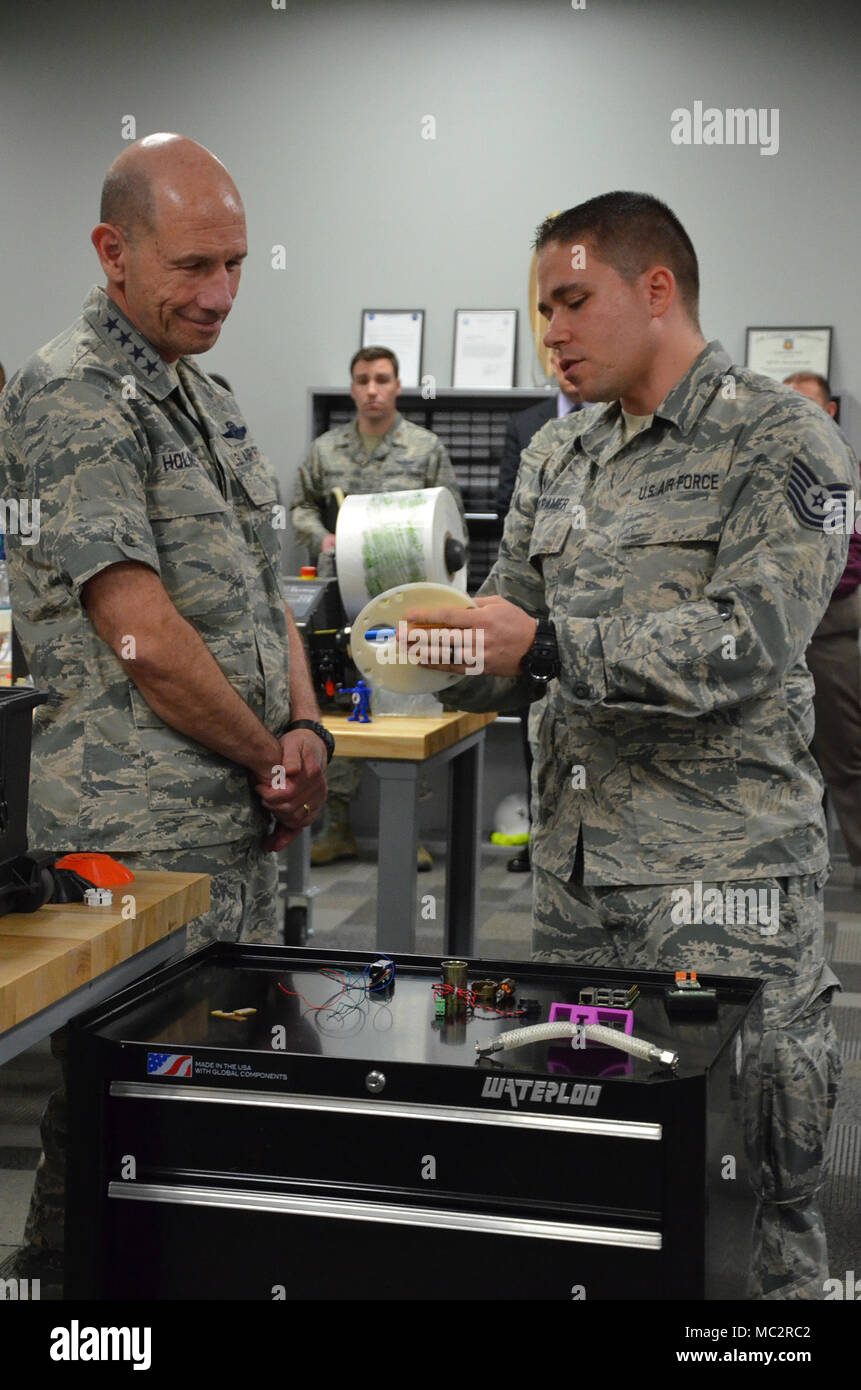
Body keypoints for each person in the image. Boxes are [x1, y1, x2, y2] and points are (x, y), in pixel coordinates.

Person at [411, 191, 856, 1299]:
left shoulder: (783, 437)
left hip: (726, 877)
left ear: (655, 291)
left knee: (766, 1176)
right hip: (577, 883)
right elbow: (504, 623)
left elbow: (753, 641)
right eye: (539, 309)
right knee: (597, 1163)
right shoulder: (557, 458)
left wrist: (549, 642)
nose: (549, 331)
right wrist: (421, 641)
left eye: (571, 301)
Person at [0, 132, 330, 1290]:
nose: (221, 293)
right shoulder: (73, 394)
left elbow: (262, 590)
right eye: (194, 266)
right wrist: (265, 756)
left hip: (233, 822)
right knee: (121, 1129)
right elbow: (138, 632)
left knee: (209, 1127)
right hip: (133, 841)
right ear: (113, 252)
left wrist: (304, 734)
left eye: (236, 264)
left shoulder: (209, 398)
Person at [291, 347, 464, 870]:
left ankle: (405, 833)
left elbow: (449, 521)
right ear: (352, 388)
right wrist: (320, 537)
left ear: (397, 386)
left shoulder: (424, 447)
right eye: (363, 379)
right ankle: (336, 827)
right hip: (341, 598)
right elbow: (299, 505)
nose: (372, 389)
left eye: (382, 379)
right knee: (343, 706)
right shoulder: (326, 451)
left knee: (407, 707)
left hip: (404, 601)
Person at [495, 348, 588, 872]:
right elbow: (514, 505)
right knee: (536, 720)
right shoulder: (535, 431)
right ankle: (539, 832)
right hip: (538, 596)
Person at [784, 372, 861, 885]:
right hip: (777, 638)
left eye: (805, 405)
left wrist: (798, 588)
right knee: (783, 761)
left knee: (846, 760)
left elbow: (850, 560)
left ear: (829, 410)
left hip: (831, 633)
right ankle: (790, 865)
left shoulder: (844, 468)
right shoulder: (766, 468)